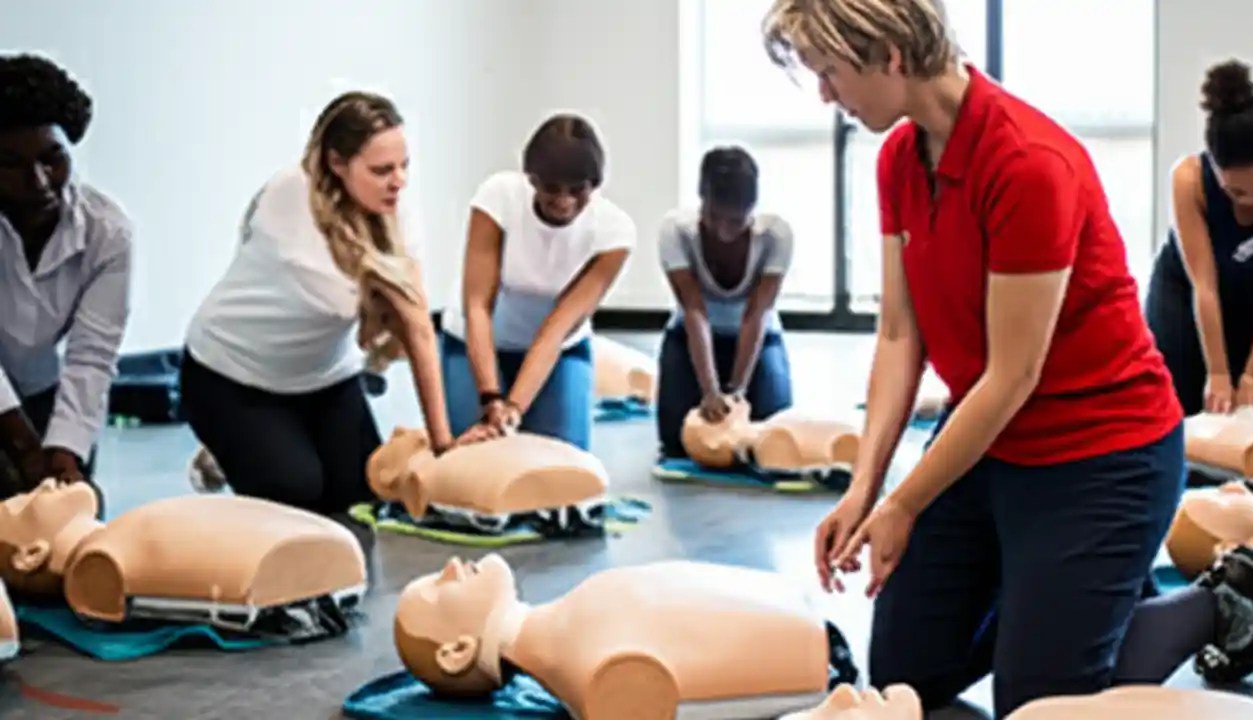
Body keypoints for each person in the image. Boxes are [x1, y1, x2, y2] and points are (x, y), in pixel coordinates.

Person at [761, 1, 1253, 718]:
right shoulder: (899, 159)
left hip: (1102, 454)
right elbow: (899, 336)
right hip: (990, 445)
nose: (825, 96)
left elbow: (1013, 374)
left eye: (829, 73)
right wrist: (864, 489)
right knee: (905, 677)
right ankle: (1077, 590)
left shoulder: (1029, 162)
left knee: (1038, 702)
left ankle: (1216, 602)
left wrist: (904, 505)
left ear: (890, 55)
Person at [180, 91, 452, 517]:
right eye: (382, 170)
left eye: (403, 166)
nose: (398, 180)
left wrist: (444, 445)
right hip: (230, 375)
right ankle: (224, 451)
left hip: (325, 379)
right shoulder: (289, 198)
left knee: (359, 495)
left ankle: (261, 444)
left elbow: (417, 326)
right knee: (300, 494)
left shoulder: (394, 206)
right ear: (336, 163)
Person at [438, 114, 635, 451]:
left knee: (562, 466)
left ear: (595, 184)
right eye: (551, 188)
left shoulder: (613, 232)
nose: (564, 201)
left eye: (578, 190)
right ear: (531, 178)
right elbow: (478, 307)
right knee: (476, 457)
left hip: (558, 351)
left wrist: (513, 408)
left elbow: (555, 330)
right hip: (476, 341)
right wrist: (490, 398)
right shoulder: (498, 197)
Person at [0, 54, 131, 511]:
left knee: (70, 512)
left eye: (52, 158)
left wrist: (64, 453)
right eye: (10, 164)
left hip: (41, 385)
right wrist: (23, 448)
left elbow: (92, 355)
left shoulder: (107, 231)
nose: (37, 181)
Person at [1145, 59, 1253, 415]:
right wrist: (1218, 373)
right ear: (1216, 169)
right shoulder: (1188, 180)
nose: (1250, 203)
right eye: (1236, 193)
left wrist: (1251, 377)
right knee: (1183, 397)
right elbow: (1204, 286)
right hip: (1187, 289)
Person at [655, 146, 795, 458]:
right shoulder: (675, 230)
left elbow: (756, 314)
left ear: (752, 209)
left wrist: (736, 391)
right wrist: (709, 390)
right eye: (714, 217)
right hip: (690, 337)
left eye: (736, 220)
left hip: (758, 339)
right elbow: (694, 311)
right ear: (701, 201)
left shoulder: (776, 235)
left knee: (770, 438)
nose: (724, 231)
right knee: (677, 441)